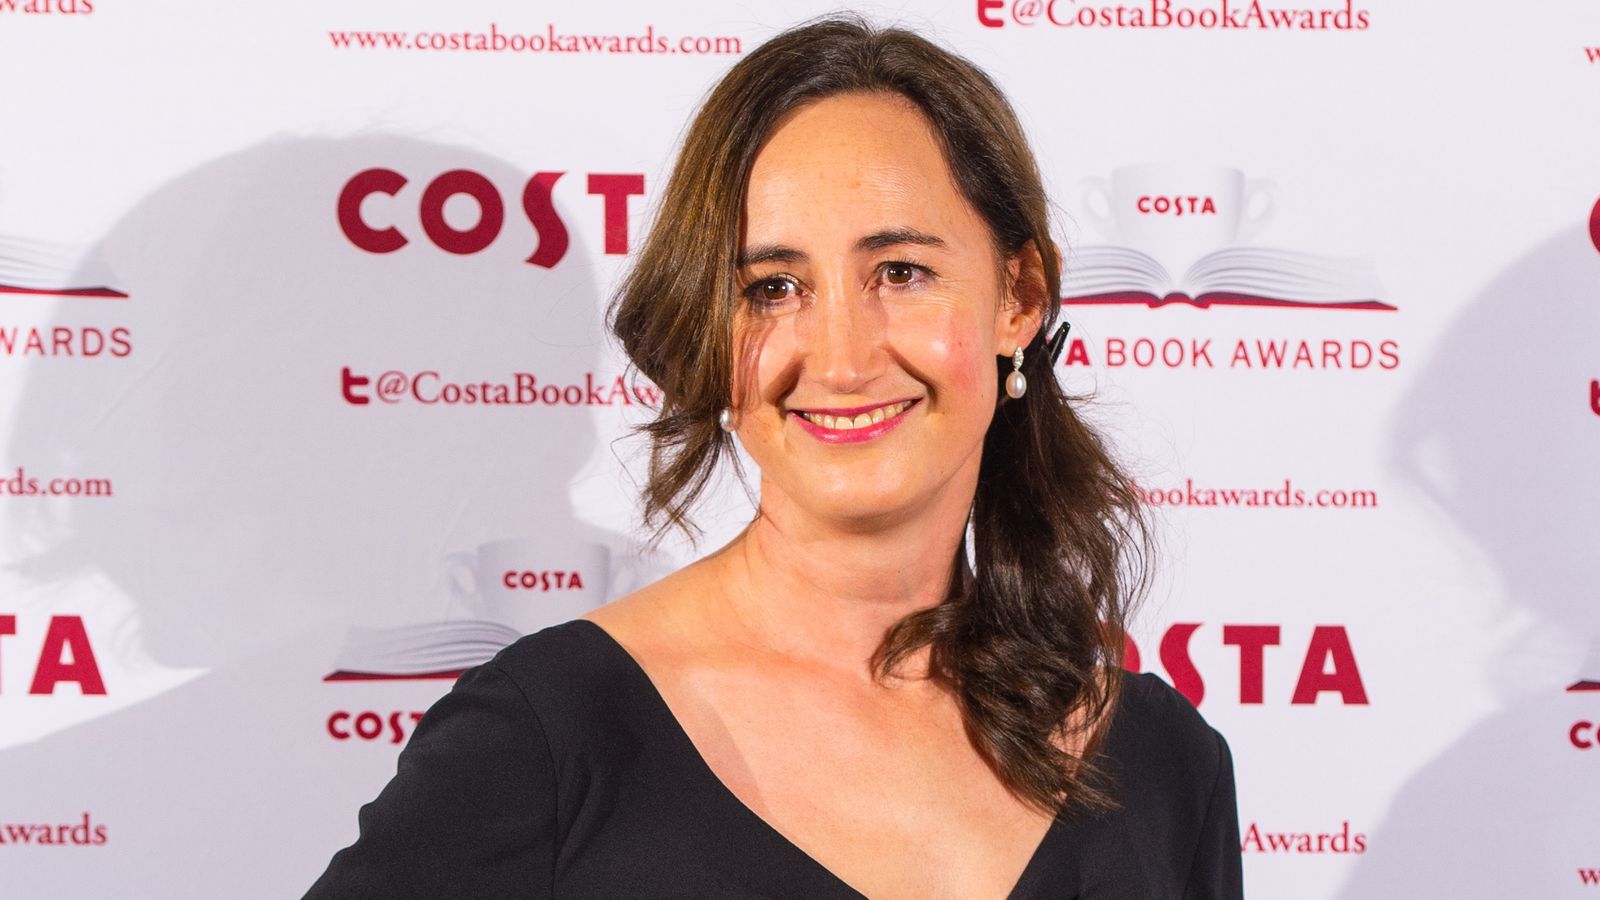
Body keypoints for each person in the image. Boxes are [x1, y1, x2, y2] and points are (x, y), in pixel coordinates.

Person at [305, 16, 1242, 899]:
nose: (840, 357)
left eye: (902, 273)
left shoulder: (1162, 762)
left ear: (1019, 296)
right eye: (773, 287)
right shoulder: (549, 735)